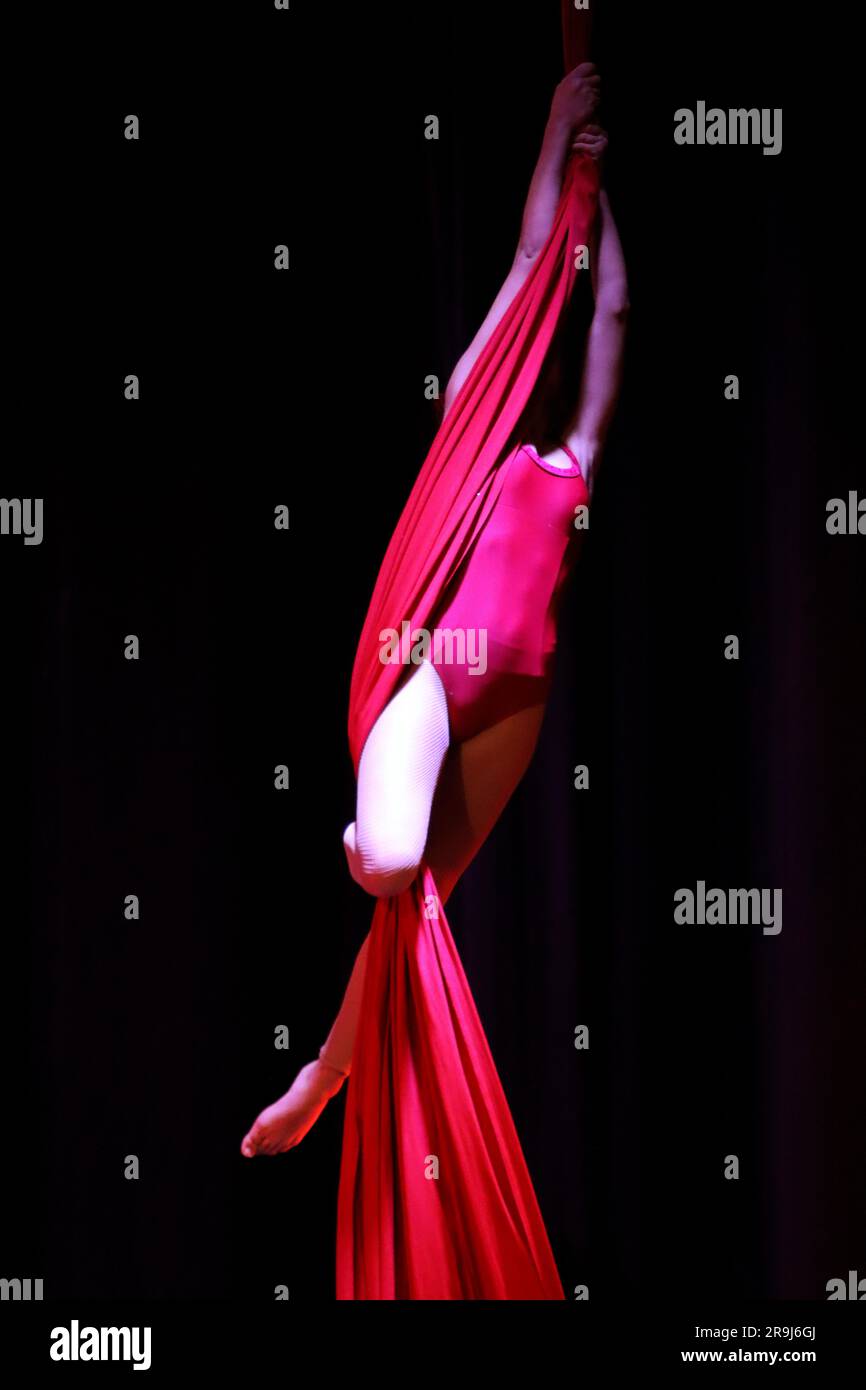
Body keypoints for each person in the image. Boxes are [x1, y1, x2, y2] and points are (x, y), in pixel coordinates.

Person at [241, 61, 628, 1160]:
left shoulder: (575, 456)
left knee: (415, 917)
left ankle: (323, 1075)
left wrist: (604, 191)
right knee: (392, 862)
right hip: (433, 666)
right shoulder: (473, 415)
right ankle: (359, 847)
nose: (548, 341)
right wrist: (556, 135)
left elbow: (614, 305)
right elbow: (526, 263)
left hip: (515, 693)